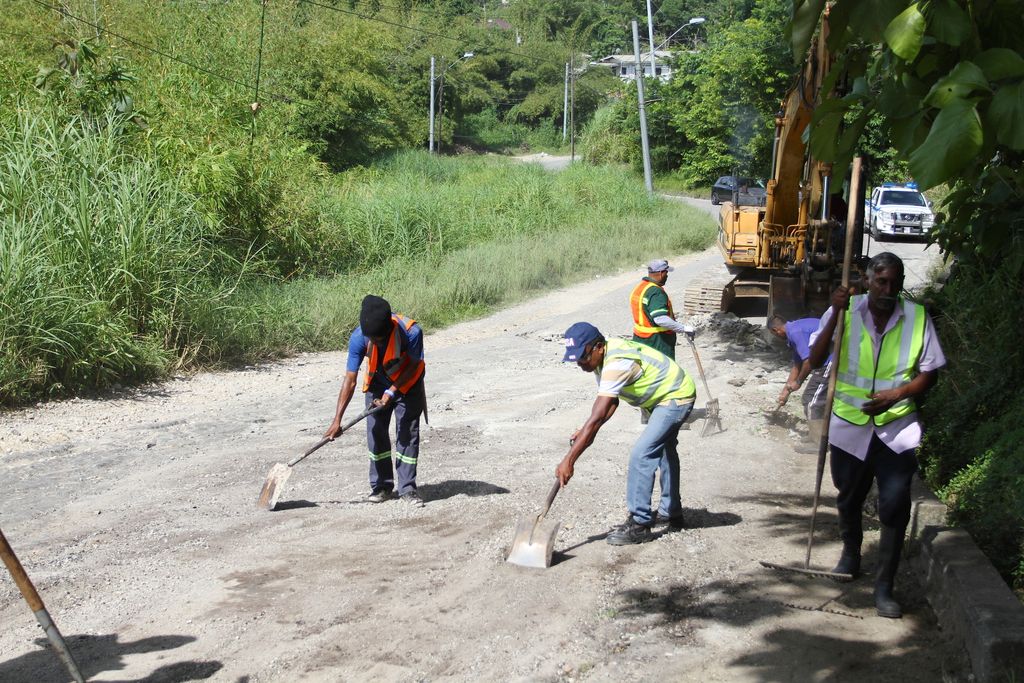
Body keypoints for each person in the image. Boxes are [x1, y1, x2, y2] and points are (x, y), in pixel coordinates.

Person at [807, 252, 945, 618]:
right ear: (867, 281)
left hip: (897, 428)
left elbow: (929, 373)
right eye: (881, 281)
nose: (888, 289)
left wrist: (896, 395)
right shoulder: (845, 309)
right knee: (848, 497)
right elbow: (816, 359)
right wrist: (835, 313)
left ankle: (885, 587)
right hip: (849, 427)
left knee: (895, 505)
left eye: (895, 282)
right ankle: (851, 554)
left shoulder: (916, 317)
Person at [556, 322, 697, 545]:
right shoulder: (603, 360)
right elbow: (609, 405)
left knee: (642, 454)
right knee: (664, 451)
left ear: (598, 346)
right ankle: (672, 511)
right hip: (662, 398)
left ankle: (640, 525)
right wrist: (585, 430)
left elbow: (599, 416)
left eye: (582, 357)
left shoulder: (616, 363)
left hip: (675, 397)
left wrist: (569, 460)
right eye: (575, 360)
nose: (580, 364)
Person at [325, 295, 427, 507]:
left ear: (389, 327)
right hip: (376, 384)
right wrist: (337, 420)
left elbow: (412, 367)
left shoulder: (411, 332)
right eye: (373, 339)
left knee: (407, 434)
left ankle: (408, 488)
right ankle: (382, 486)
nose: (376, 343)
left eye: (380, 339)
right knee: (376, 433)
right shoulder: (358, 338)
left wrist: (391, 393)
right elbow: (350, 380)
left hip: (408, 383)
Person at [767, 314, 830, 442]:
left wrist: (799, 382)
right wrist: (786, 391)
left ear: (776, 330)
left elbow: (808, 362)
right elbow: (797, 365)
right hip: (825, 361)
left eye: (774, 335)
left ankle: (818, 441)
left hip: (830, 361)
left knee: (811, 400)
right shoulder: (794, 330)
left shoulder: (796, 332)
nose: (776, 337)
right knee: (816, 399)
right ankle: (817, 434)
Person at [629, 259, 695, 361]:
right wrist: (683, 328)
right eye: (666, 273)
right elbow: (660, 319)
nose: (667, 276)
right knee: (664, 373)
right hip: (657, 342)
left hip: (640, 339)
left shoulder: (641, 287)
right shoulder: (656, 292)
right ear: (661, 273)